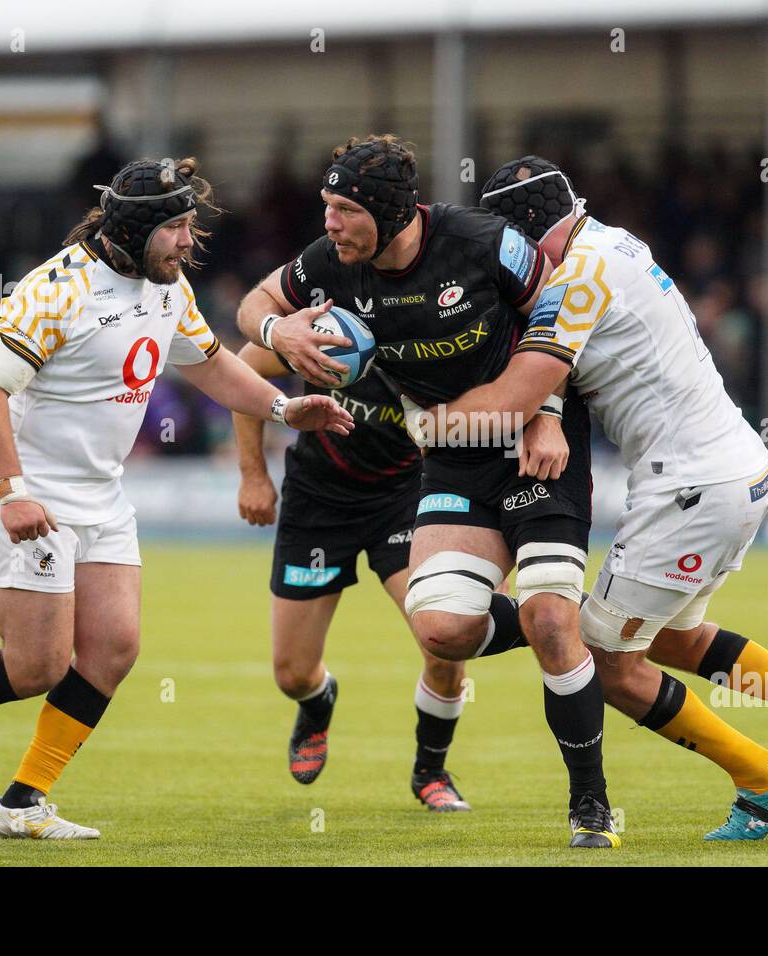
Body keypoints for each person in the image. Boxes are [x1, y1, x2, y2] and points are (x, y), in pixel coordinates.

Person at [0, 158, 353, 839]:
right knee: (36, 667)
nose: (189, 242)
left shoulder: (169, 287)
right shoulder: (56, 290)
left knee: (115, 648)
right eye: (176, 228)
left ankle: (23, 802)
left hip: (102, 497)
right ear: (134, 229)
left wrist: (283, 408)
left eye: (190, 225)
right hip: (30, 497)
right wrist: (12, 493)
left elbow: (211, 364)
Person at [438, 156, 768, 840]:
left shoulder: (575, 277)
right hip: (730, 468)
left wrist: (427, 420)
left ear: (528, 231)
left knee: (606, 663)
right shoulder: (616, 242)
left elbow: (526, 386)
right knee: (676, 639)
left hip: (690, 487)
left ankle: (761, 774)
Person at [237, 134, 620, 848]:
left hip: (531, 446)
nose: (329, 224)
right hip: (439, 461)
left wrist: (547, 412)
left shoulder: (483, 242)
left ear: (390, 212)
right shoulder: (332, 272)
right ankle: (563, 623)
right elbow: (252, 311)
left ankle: (588, 807)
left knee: (543, 620)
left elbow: (557, 312)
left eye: (345, 210)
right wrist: (276, 329)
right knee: (441, 631)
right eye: (326, 206)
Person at [232, 341, 470, 810]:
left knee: (445, 641)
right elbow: (245, 368)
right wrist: (253, 474)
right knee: (293, 675)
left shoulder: (440, 337)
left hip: (405, 501)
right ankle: (317, 700)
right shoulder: (331, 333)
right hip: (318, 502)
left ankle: (430, 771)